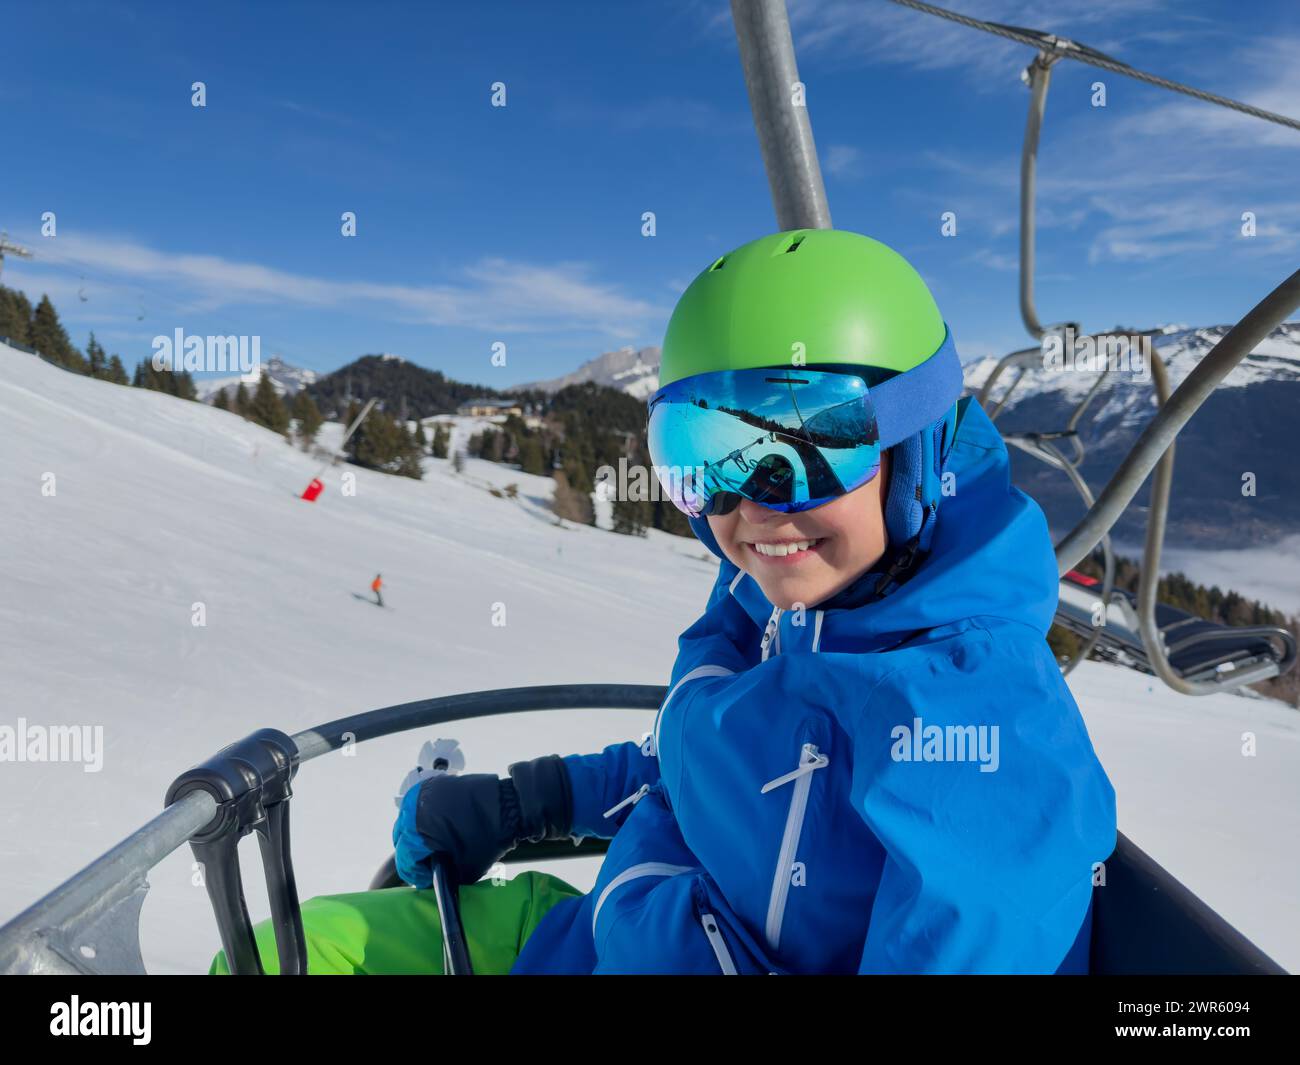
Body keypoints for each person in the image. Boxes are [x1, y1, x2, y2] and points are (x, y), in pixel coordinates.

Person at [212, 229, 1115, 975]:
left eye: (807, 448)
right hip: (584, 940)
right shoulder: (773, 612)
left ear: (917, 453)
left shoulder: (977, 727)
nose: (754, 507)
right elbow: (700, 777)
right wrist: (531, 800)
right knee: (269, 958)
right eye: (703, 456)